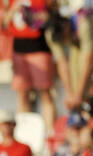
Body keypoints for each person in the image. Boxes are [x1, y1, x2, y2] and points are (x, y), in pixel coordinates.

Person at [7, 0, 59, 129]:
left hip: (39, 48)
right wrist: (14, 9)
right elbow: (4, 22)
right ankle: (24, 131)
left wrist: (37, 14)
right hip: (19, 49)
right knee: (22, 94)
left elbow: (49, 18)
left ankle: (49, 132)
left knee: (45, 93)